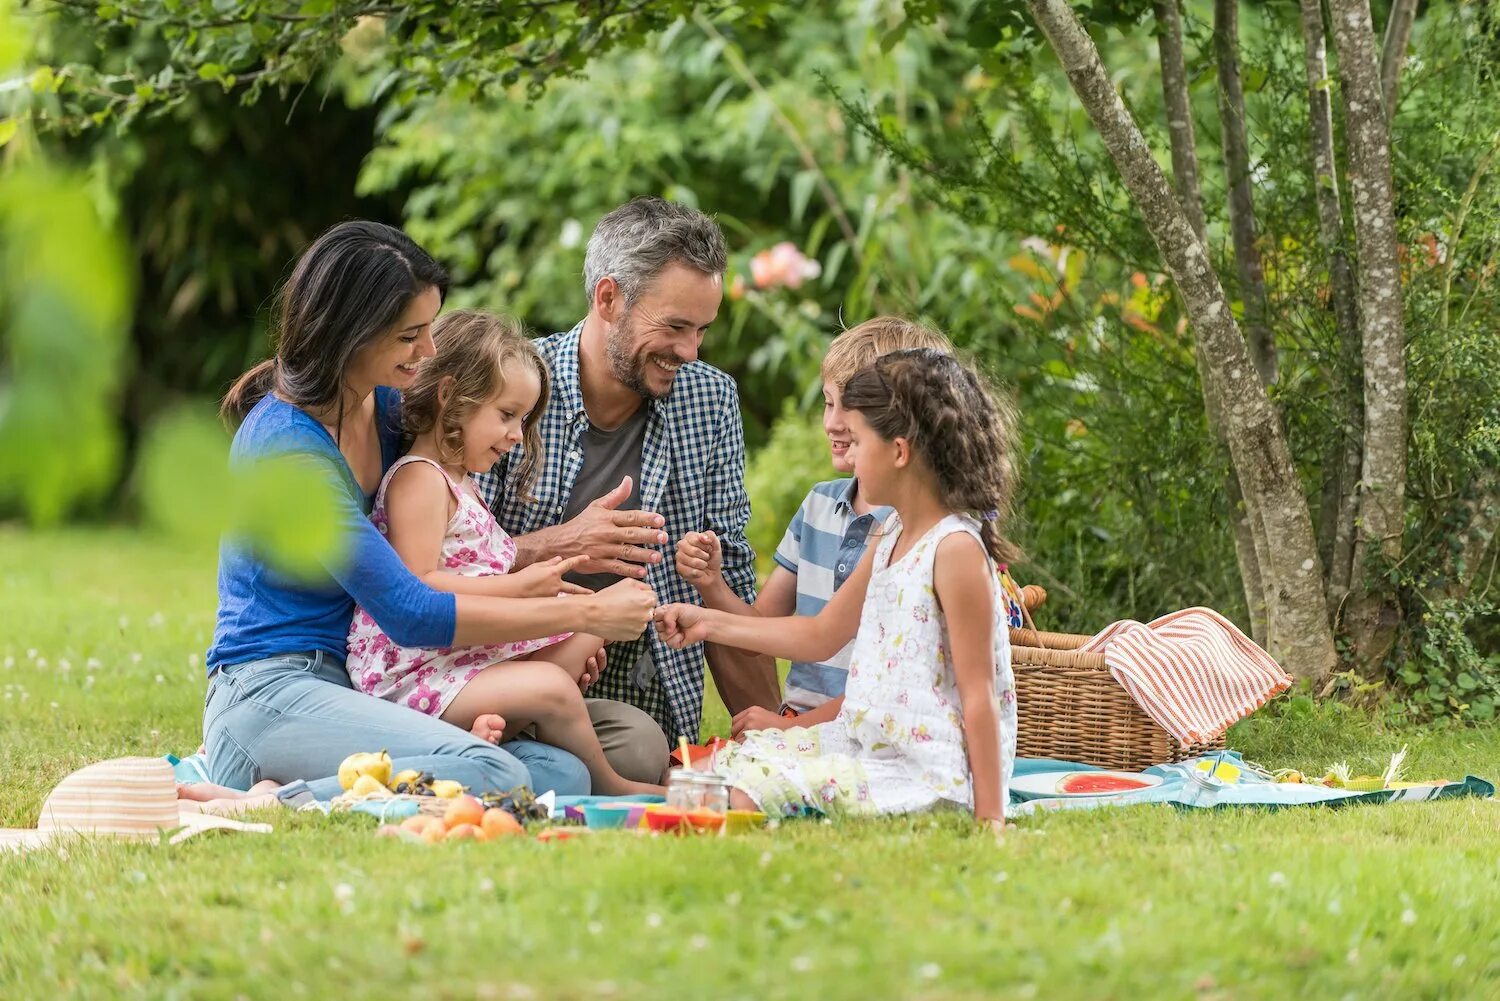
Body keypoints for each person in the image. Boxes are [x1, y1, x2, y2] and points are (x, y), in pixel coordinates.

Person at [195, 220, 658, 807]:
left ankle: (371, 771)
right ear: (351, 334)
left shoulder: (385, 412)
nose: (429, 352)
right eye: (411, 335)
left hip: (355, 686)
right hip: (270, 692)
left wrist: (558, 549)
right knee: (494, 775)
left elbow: (452, 547)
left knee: (563, 776)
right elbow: (410, 610)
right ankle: (268, 799)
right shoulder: (287, 450)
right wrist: (587, 610)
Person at [654, 349, 1020, 830]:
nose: (850, 453)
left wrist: (990, 816)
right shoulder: (893, 535)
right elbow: (820, 634)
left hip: (923, 775)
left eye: (860, 440)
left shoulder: (953, 549)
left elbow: (979, 695)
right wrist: (708, 621)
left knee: (723, 799)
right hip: (862, 742)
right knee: (700, 775)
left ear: (899, 451)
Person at [475, 197, 778, 748]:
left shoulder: (711, 401)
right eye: (675, 327)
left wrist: (777, 741)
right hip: (499, 679)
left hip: (641, 699)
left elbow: (727, 587)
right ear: (608, 298)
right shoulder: (507, 389)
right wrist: (563, 545)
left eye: (702, 331)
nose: (689, 351)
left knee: (640, 751)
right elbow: (446, 566)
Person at [345, 309, 664, 797]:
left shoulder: (462, 484)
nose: (517, 435)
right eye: (506, 415)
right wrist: (520, 587)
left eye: (523, 419)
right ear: (451, 396)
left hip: (457, 661)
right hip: (413, 674)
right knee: (554, 686)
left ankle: (487, 735)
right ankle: (612, 785)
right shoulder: (419, 480)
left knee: (585, 633)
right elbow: (418, 585)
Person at [673, 317, 956, 737]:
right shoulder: (819, 506)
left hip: (867, 726)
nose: (834, 423)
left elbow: (887, 685)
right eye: (828, 403)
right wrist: (711, 584)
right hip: (801, 721)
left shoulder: (913, 532)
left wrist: (794, 729)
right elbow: (763, 629)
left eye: (851, 409)